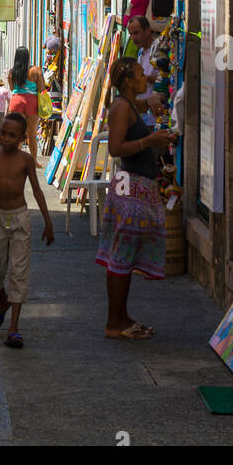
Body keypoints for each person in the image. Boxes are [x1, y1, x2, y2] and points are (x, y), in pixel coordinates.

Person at [96, 57, 177, 340]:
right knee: (121, 255)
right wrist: (150, 142)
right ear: (129, 80)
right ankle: (114, 322)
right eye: (142, 73)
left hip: (135, 187)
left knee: (125, 256)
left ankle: (121, 317)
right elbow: (116, 148)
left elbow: (140, 107)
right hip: (129, 188)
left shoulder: (128, 105)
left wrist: (151, 102)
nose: (147, 76)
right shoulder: (120, 107)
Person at [0, 111, 54, 349]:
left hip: (20, 219)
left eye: (11, 135)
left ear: (22, 138)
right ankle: (4, 301)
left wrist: (48, 221)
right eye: (3, 134)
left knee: (18, 272)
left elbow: (37, 191)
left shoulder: (26, 160)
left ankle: (14, 328)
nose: (6, 139)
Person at [6, 46, 47, 164]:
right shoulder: (36, 70)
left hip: (17, 101)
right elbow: (41, 88)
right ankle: (33, 161)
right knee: (31, 135)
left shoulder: (12, 72)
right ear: (28, 57)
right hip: (32, 102)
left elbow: (12, 88)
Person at [125, 16, 164, 126]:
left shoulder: (159, 51)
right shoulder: (141, 52)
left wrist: (144, 79)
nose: (133, 37)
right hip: (143, 116)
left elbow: (167, 80)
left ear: (147, 30)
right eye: (130, 34)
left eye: (136, 33)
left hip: (155, 117)